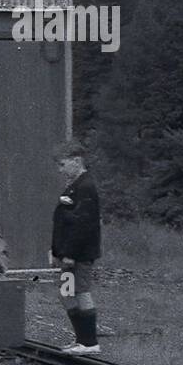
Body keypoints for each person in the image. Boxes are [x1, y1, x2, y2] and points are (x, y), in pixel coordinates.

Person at [50, 140, 102, 354]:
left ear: (76, 161)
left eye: (62, 164)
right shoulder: (75, 186)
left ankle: (90, 343)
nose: (60, 170)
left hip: (78, 255)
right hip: (68, 253)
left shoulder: (85, 187)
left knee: (80, 292)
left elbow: (84, 224)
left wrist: (70, 253)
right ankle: (81, 339)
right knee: (67, 293)